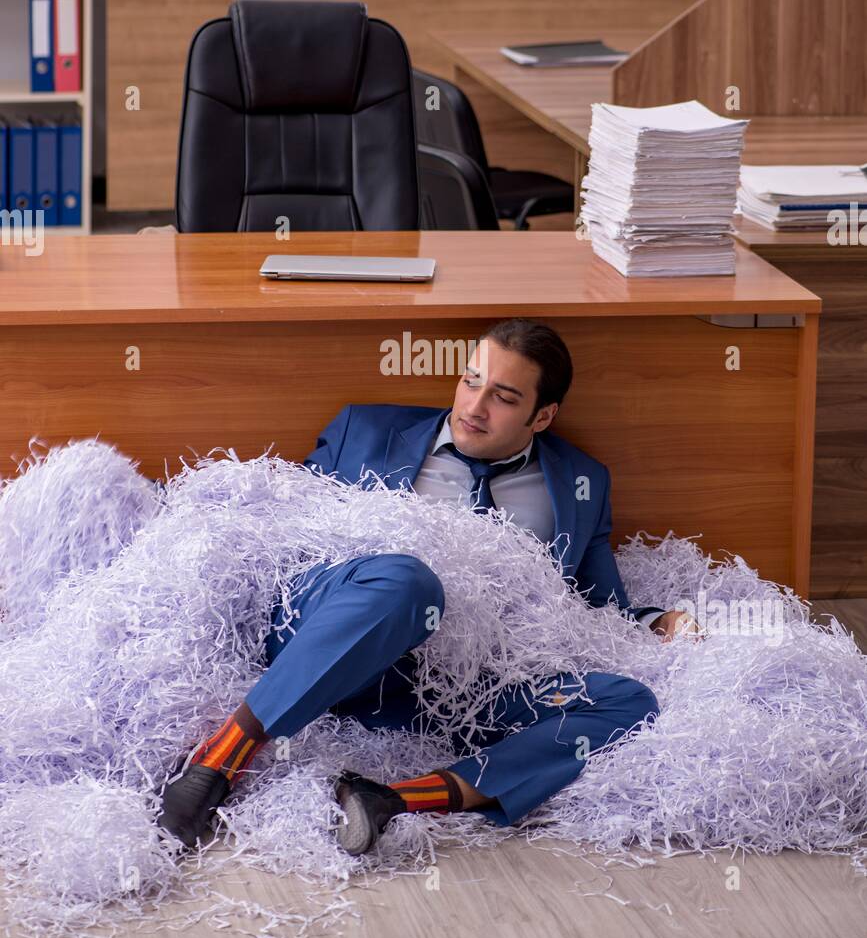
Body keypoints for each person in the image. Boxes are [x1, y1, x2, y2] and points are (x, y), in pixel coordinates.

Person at [159, 318, 695, 856]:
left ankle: (389, 799)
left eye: (503, 397)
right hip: (332, 634)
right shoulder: (363, 429)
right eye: (470, 381)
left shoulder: (581, 483)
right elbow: (290, 536)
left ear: (544, 415)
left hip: (438, 689)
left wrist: (659, 621)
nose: (474, 406)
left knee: (627, 701)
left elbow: (599, 606)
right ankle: (219, 761)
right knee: (408, 581)